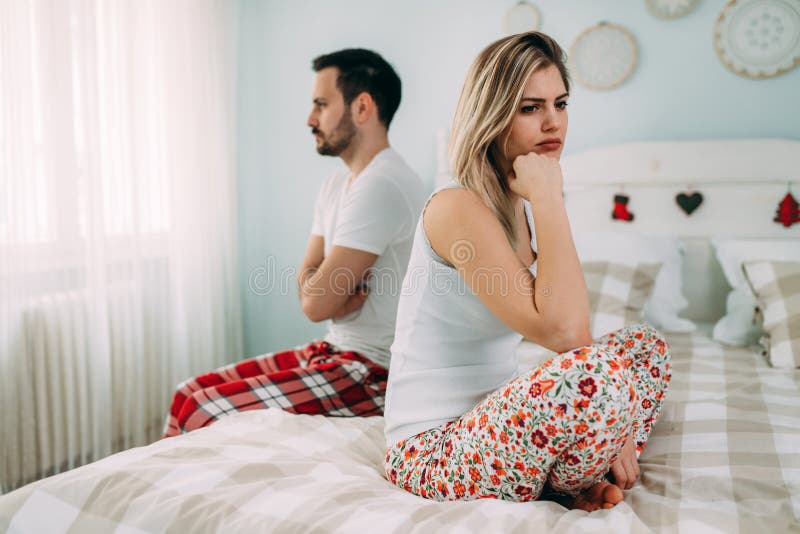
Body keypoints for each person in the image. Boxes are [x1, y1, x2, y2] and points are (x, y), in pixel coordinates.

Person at [382, 32, 671, 512]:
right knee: (596, 374)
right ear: (493, 115)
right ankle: (573, 482)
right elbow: (566, 331)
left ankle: (570, 479)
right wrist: (550, 197)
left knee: (643, 348)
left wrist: (543, 201)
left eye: (561, 103)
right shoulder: (457, 205)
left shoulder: (526, 202)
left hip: (495, 423)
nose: (553, 121)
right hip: (433, 450)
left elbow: (569, 326)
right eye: (530, 108)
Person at [163, 48, 426, 438]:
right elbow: (309, 284)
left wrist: (321, 290)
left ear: (362, 107)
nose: (310, 118)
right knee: (187, 394)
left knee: (204, 410)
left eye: (321, 104)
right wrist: (322, 288)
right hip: (333, 353)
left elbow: (316, 304)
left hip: (372, 374)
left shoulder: (382, 185)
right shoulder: (337, 184)